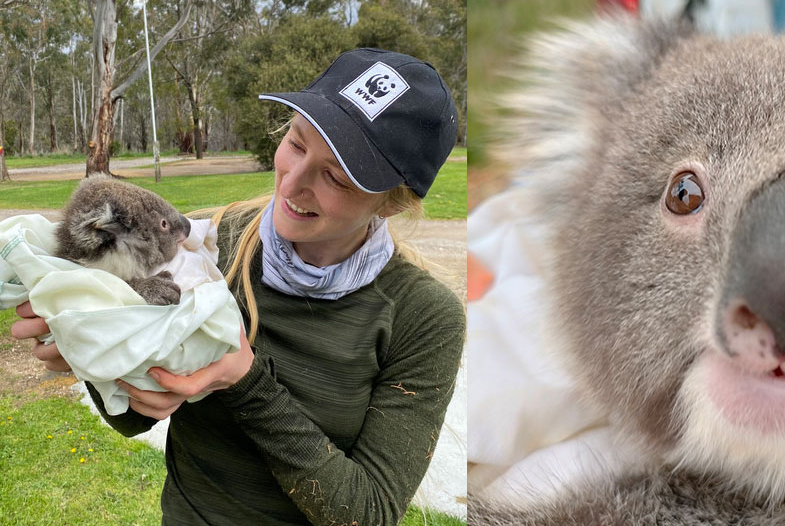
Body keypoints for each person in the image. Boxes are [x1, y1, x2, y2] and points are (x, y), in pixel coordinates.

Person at [11, 48, 465, 526]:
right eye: (295, 142)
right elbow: (132, 419)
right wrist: (96, 346)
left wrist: (245, 382)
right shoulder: (213, 245)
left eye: (334, 176)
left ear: (392, 204)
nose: (291, 186)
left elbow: (370, 513)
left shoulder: (424, 317)